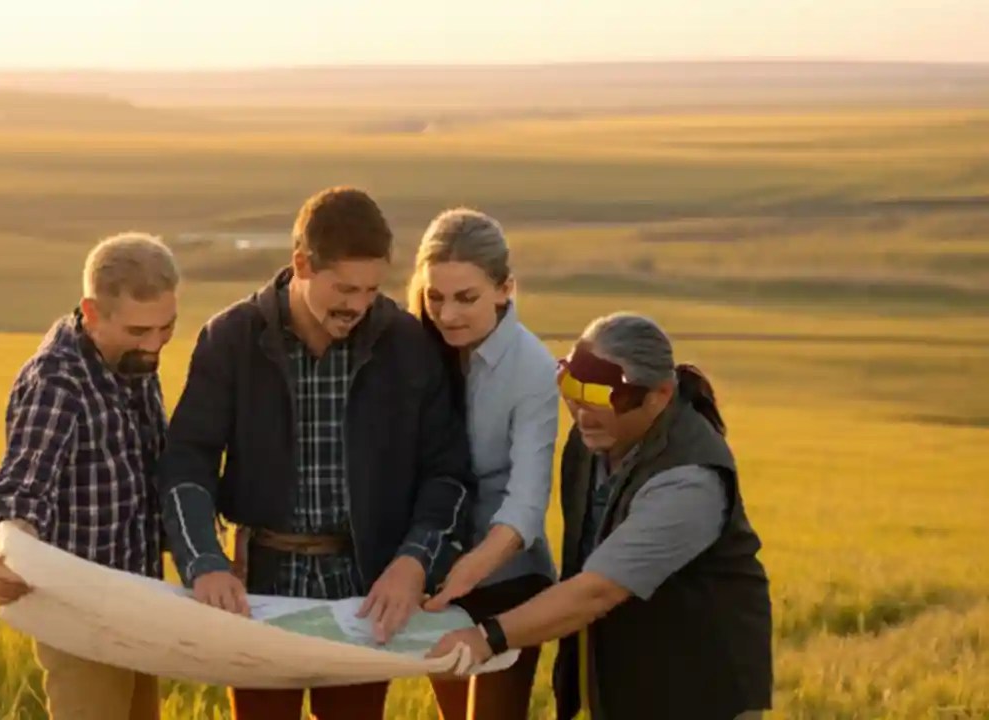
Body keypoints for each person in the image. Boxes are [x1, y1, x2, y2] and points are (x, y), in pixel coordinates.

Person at [157, 187, 475, 720]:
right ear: (301, 263)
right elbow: (188, 459)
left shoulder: (406, 344)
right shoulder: (231, 339)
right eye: (344, 288)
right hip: (258, 587)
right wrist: (204, 563)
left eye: (371, 289)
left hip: (367, 591)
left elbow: (448, 473)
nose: (358, 305)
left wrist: (412, 564)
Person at [428, 313, 773, 720]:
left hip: (701, 688)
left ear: (660, 394)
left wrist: (486, 638)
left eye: (606, 398)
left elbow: (597, 590)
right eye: (573, 390)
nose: (583, 414)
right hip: (629, 675)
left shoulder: (688, 481)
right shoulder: (593, 436)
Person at [0, 232, 180, 720]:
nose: (154, 345)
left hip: (136, 603)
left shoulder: (130, 362)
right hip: (80, 617)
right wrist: (9, 553)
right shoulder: (57, 381)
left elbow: (149, 477)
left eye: (166, 327)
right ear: (91, 313)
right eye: (138, 331)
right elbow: (21, 488)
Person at [406, 209, 559, 720]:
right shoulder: (415, 350)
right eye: (435, 297)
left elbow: (527, 503)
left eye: (465, 298)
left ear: (505, 288)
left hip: (508, 579)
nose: (447, 314)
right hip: (428, 574)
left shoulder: (532, 369)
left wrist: (469, 571)